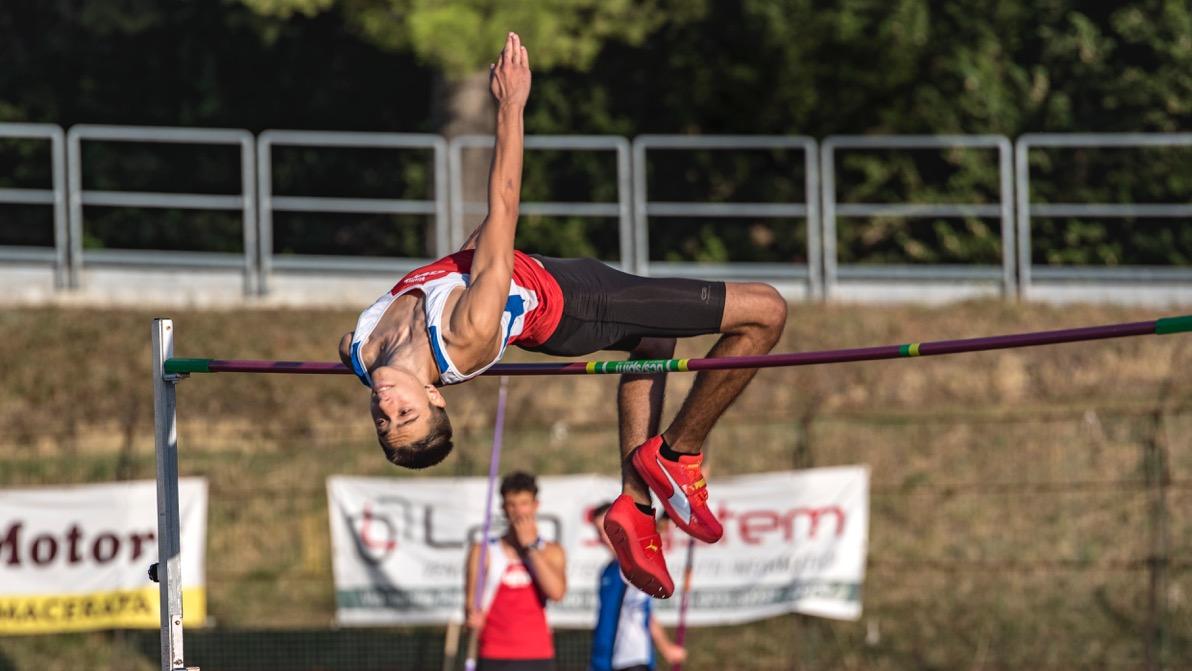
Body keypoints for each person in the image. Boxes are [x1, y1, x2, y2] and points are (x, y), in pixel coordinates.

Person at [339, 33, 786, 598]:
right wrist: (511, 106)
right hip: (579, 304)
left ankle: (635, 505)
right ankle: (679, 454)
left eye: (385, 423)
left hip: (564, 287)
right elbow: (504, 205)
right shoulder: (464, 332)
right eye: (406, 415)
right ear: (435, 397)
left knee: (654, 342)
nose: (387, 409)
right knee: (766, 312)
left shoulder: (358, 349)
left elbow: (466, 255)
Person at [464, 471, 567, 671]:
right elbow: (470, 607)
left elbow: (556, 593)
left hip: (537, 654)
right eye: (512, 504)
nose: (518, 511)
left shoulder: (551, 551)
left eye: (524, 503)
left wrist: (530, 547)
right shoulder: (483, 550)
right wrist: (472, 618)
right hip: (493, 652)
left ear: (535, 505)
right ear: (503, 507)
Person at [589, 501, 687, 671]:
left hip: (632, 660)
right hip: (605, 661)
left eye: (606, 529)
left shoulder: (635, 566)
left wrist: (666, 647)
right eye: (599, 531)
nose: (604, 537)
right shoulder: (607, 571)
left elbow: (644, 612)